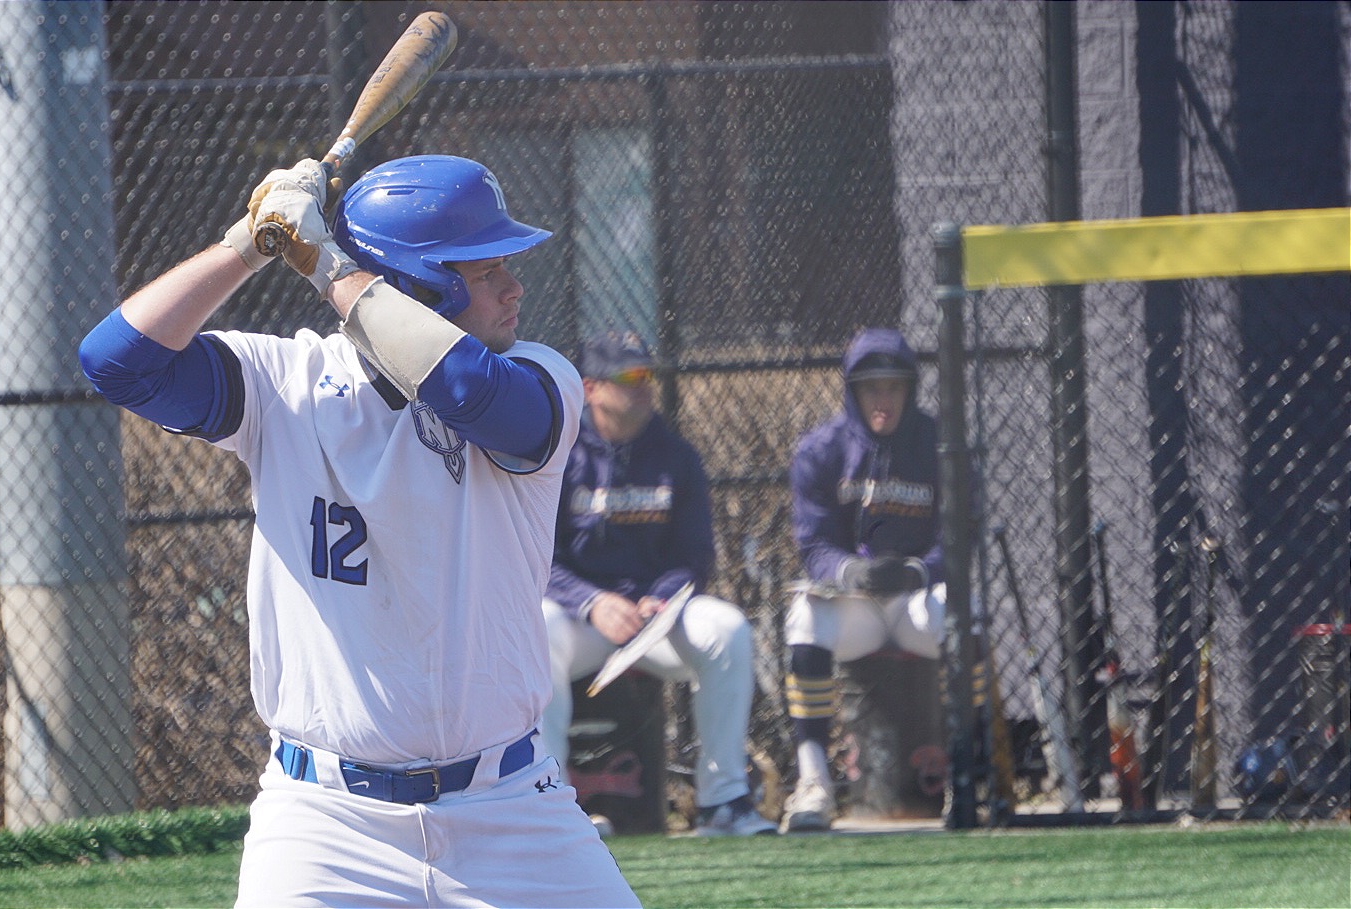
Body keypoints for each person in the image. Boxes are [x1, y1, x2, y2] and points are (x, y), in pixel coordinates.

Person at [78, 155, 639, 908]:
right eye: (484, 268)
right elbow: (116, 362)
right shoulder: (283, 384)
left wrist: (327, 266)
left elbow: (469, 392)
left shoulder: (539, 376)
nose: (515, 286)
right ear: (418, 283)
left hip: (511, 807)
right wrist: (251, 242)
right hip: (326, 823)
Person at [542, 331, 776, 838]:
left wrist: (663, 597)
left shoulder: (676, 456)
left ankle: (722, 802)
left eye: (647, 375)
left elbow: (695, 557)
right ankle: (550, 809)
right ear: (590, 388)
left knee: (728, 630)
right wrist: (592, 601)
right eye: (629, 377)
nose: (644, 386)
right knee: (536, 630)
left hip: (655, 621)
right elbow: (538, 560)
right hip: (584, 620)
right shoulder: (560, 458)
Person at [779, 327, 946, 833]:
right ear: (852, 390)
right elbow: (813, 546)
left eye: (893, 386)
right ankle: (813, 784)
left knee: (962, 612)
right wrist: (851, 570)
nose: (883, 399)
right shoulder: (821, 449)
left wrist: (920, 569)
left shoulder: (939, 442)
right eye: (871, 387)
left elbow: (960, 537)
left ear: (909, 389)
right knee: (805, 616)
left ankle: (972, 772)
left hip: (914, 601)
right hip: (858, 606)